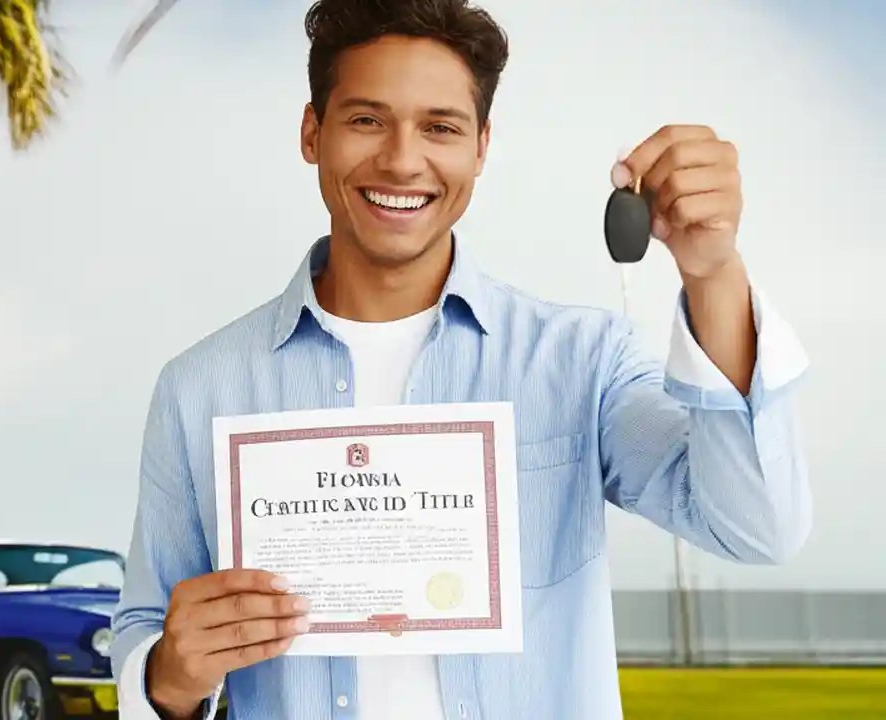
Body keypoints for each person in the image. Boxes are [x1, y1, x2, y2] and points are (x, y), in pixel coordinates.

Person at [110, 0, 813, 717]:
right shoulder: (199, 388)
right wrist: (168, 676)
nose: (402, 160)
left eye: (439, 128)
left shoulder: (582, 362)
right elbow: (144, 628)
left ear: (480, 147)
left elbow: (756, 526)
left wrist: (714, 274)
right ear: (311, 133)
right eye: (366, 120)